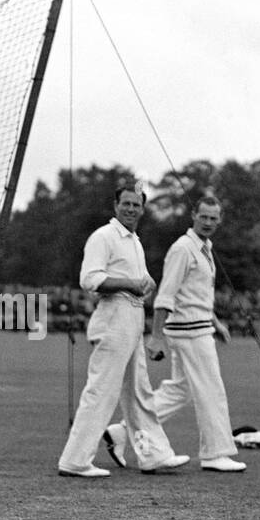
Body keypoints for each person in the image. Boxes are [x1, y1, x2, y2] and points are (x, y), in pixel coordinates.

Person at [102, 194, 247, 473]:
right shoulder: (183, 248)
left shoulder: (204, 247)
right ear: (193, 215)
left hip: (198, 326)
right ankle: (215, 454)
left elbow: (195, 293)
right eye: (203, 216)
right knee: (211, 390)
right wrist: (156, 336)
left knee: (180, 391)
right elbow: (166, 293)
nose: (208, 222)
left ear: (220, 220)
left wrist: (215, 322)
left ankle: (122, 431)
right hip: (189, 331)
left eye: (213, 218)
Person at [57, 183, 190, 478]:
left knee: (140, 392)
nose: (131, 209)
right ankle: (74, 460)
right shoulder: (103, 237)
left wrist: (146, 282)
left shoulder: (134, 241)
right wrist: (131, 284)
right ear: (116, 206)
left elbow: (136, 278)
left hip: (132, 318)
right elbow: (90, 279)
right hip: (112, 318)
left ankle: (153, 455)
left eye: (136, 205)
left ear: (143, 209)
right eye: (126, 204)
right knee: (102, 391)